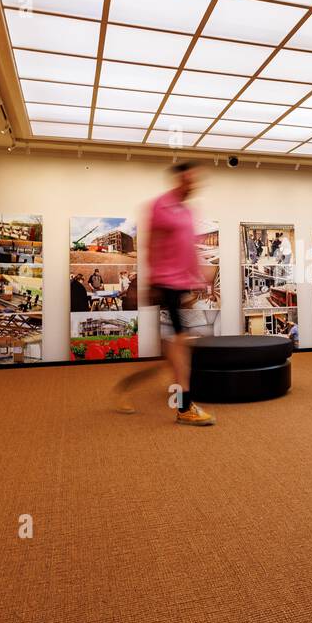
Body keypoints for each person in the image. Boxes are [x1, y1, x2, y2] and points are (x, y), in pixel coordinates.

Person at [114, 160, 215, 426]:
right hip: (165, 285)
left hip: (181, 285)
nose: (194, 185)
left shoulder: (189, 212)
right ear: (179, 180)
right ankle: (184, 409)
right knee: (179, 350)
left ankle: (125, 388)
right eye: (190, 180)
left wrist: (200, 280)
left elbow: (189, 248)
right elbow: (150, 246)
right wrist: (147, 284)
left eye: (196, 181)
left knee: (171, 354)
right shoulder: (160, 206)